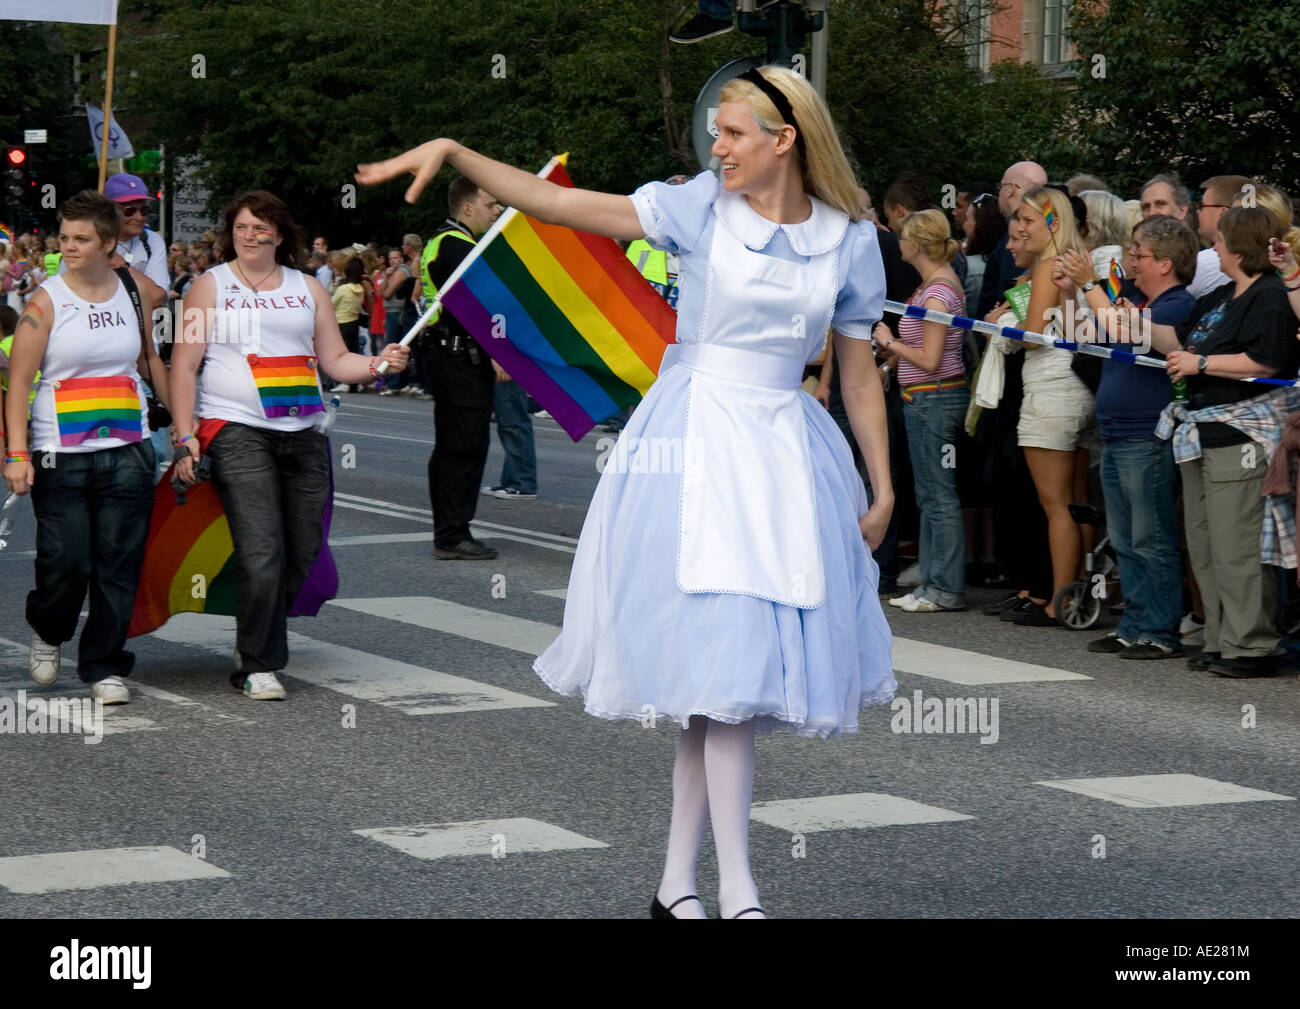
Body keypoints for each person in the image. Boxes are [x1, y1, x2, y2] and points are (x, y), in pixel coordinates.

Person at [358, 63, 896, 919]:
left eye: (730, 133)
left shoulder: (848, 238)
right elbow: (562, 207)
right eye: (714, 132)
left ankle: (676, 884)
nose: (714, 146)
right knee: (719, 681)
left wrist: (884, 483)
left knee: (723, 691)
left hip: (787, 453)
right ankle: (739, 891)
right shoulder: (696, 209)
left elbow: (859, 371)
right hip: (695, 444)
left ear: (783, 139)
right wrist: (459, 151)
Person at [169, 190, 409, 700]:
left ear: (280, 233)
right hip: (235, 428)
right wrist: (185, 435)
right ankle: (258, 664)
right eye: (241, 227)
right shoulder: (208, 288)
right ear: (229, 232)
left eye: (261, 227)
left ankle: (253, 634)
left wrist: (377, 364)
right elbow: (185, 366)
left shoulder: (308, 289)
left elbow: (336, 360)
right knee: (262, 548)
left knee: (301, 551)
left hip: (303, 433)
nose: (251, 236)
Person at [2, 190, 170, 705]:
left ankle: (104, 666)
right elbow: (19, 382)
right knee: (66, 562)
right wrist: (16, 454)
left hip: (128, 446)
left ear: (106, 243)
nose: (67, 247)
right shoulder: (44, 304)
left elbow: (148, 360)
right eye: (64, 237)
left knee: (119, 563)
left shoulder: (132, 291)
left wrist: (184, 432)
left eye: (80, 239)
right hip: (61, 451)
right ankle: (49, 626)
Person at [1144, 207, 1299, 677]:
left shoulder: (1271, 297)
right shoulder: (1218, 296)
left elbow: (1266, 362)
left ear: (1241, 246)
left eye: (1221, 240)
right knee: (1205, 543)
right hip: (1201, 430)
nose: (1214, 247)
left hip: (1243, 431)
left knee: (1238, 545)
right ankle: (1220, 636)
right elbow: (1183, 341)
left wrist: (1203, 366)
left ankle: (1253, 644)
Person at [1059, 214, 1198, 658]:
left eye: (1138, 253)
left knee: (1150, 537)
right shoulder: (1131, 297)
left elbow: (1124, 329)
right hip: (1117, 435)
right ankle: (1133, 625)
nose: (1130, 259)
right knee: (1123, 539)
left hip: (1147, 436)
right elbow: (1076, 333)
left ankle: (1160, 630)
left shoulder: (1177, 305)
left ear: (1166, 262)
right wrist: (1070, 292)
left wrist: (1088, 284)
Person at [1005, 186, 1096, 627]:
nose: (1019, 228)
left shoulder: (1047, 266)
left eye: (1027, 220)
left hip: (1050, 387)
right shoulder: (1078, 263)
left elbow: (1035, 331)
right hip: (1079, 388)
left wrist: (1002, 323)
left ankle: (1058, 600)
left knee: (1055, 504)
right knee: (1077, 502)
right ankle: (1078, 592)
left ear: (1052, 224)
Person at [878, 208, 968, 612]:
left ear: (916, 244)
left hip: (934, 396)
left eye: (902, 237)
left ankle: (945, 587)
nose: (898, 243)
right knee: (930, 493)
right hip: (926, 397)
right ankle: (931, 583)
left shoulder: (937, 292)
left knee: (938, 495)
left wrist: (888, 341)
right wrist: (889, 365)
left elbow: (930, 358)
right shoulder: (932, 285)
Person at [420, 177, 505, 555]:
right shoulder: (457, 246)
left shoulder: (444, 241)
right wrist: (498, 350)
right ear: (467, 208)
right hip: (460, 359)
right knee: (464, 447)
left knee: (453, 446)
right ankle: (453, 535)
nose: (497, 210)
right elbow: (476, 305)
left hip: (448, 356)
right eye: (490, 204)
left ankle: (450, 531)